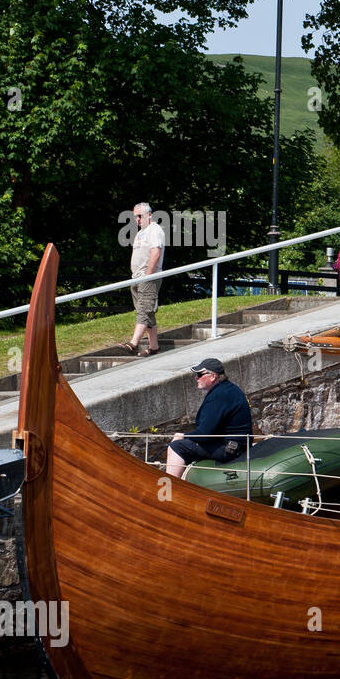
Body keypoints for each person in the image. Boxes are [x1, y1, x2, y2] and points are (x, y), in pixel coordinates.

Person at [166, 358, 254, 477]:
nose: (196, 378)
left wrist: (183, 436)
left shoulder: (219, 396)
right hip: (235, 446)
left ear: (212, 376)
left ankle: (169, 490)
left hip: (230, 449)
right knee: (186, 443)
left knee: (176, 447)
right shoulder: (227, 389)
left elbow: (205, 433)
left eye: (199, 374)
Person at [116, 202, 165, 356]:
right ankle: (154, 347)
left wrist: (148, 276)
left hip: (147, 277)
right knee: (146, 311)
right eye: (135, 217)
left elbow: (156, 253)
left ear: (150, 214)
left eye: (140, 216)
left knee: (144, 309)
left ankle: (133, 344)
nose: (137, 219)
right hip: (136, 278)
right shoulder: (140, 233)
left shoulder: (154, 230)